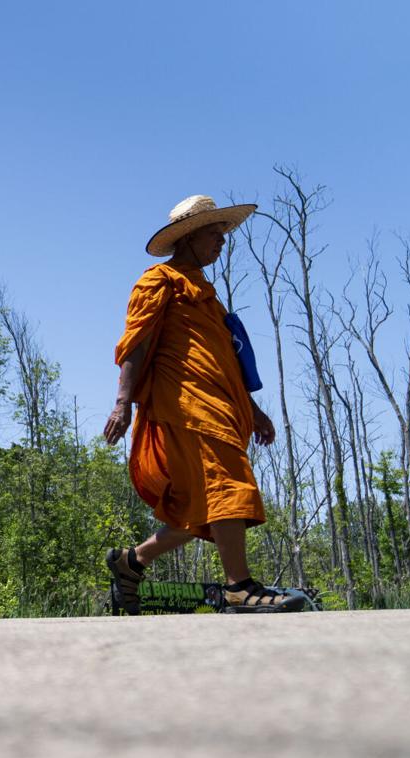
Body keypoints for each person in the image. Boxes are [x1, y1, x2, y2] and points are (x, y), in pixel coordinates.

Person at [103, 195, 304, 615]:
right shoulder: (159, 281)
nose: (222, 242)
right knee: (228, 483)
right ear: (189, 237)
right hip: (186, 406)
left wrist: (254, 410)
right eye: (215, 233)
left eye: (223, 234)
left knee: (199, 505)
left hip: (222, 405)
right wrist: (122, 403)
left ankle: (132, 561)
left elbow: (225, 357)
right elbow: (136, 343)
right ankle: (239, 588)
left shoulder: (208, 296)